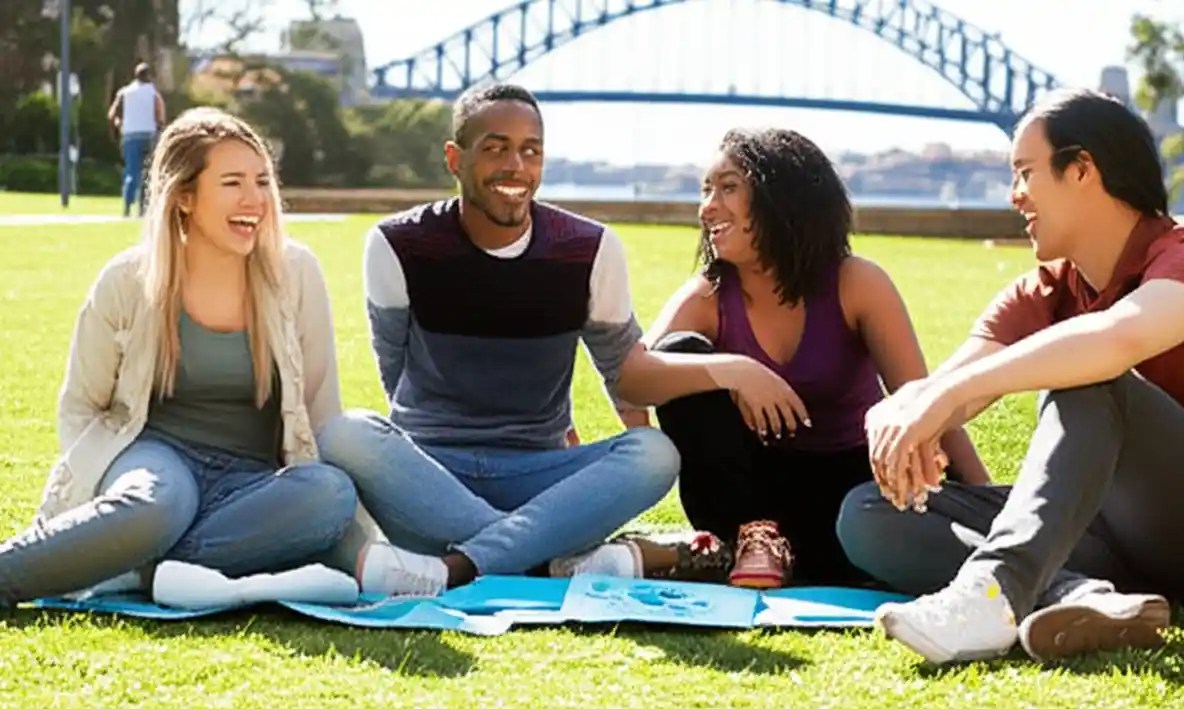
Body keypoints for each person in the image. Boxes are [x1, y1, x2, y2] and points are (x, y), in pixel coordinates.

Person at [837, 88, 1184, 663]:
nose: (1014, 195)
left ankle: (996, 593)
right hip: (1104, 536)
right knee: (870, 515)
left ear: (1082, 170)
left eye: (1026, 173)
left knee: (1093, 375)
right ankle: (1079, 595)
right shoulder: (1043, 291)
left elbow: (1116, 340)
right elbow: (955, 384)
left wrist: (942, 396)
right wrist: (903, 411)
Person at [317, 84, 811, 597]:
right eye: (495, 148)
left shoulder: (588, 249)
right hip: (433, 473)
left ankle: (458, 564)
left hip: (538, 469)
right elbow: (392, 370)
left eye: (530, 150)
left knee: (654, 453)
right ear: (455, 159)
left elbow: (623, 372)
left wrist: (722, 379)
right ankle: (546, 556)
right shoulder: (397, 244)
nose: (515, 166)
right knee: (346, 432)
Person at [0, 107, 359, 606]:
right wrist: (99, 480)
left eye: (262, 181)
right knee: (158, 504)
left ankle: (134, 565)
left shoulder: (296, 272)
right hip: (156, 457)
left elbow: (321, 410)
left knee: (331, 493)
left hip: (249, 481)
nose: (255, 199)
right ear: (184, 197)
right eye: (232, 183)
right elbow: (81, 407)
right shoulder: (126, 280)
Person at [637, 127, 989, 589]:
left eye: (727, 188)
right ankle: (752, 545)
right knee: (679, 354)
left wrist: (991, 506)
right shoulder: (708, 296)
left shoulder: (857, 283)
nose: (707, 208)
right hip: (750, 501)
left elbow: (926, 406)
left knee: (873, 542)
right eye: (706, 191)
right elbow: (634, 375)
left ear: (780, 196)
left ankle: (776, 560)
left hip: (854, 492)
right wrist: (734, 371)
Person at [108, 62, 166, 217]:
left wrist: (119, 125)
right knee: (148, 172)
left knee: (131, 171)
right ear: (149, 75)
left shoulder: (124, 92)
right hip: (149, 134)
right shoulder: (153, 92)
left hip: (130, 135)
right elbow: (160, 114)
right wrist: (160, 129)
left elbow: (112, 114)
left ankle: (127, 206)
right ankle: (143, 208)